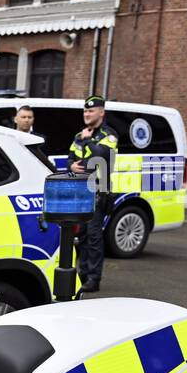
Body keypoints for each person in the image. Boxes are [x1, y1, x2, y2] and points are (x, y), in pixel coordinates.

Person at [67, 95, 118, 293]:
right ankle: (83, 274)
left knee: (94, 237)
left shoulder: (109, 135)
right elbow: (69, 157)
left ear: (101, 112)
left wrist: (88, 142)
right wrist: (71, 164)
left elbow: (101, 157)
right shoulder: (79, 135)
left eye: (91, 111)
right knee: (83, 237)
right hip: (79, 191)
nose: (87, 114)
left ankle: (93, 279)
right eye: (85, 111)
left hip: (97, 191)